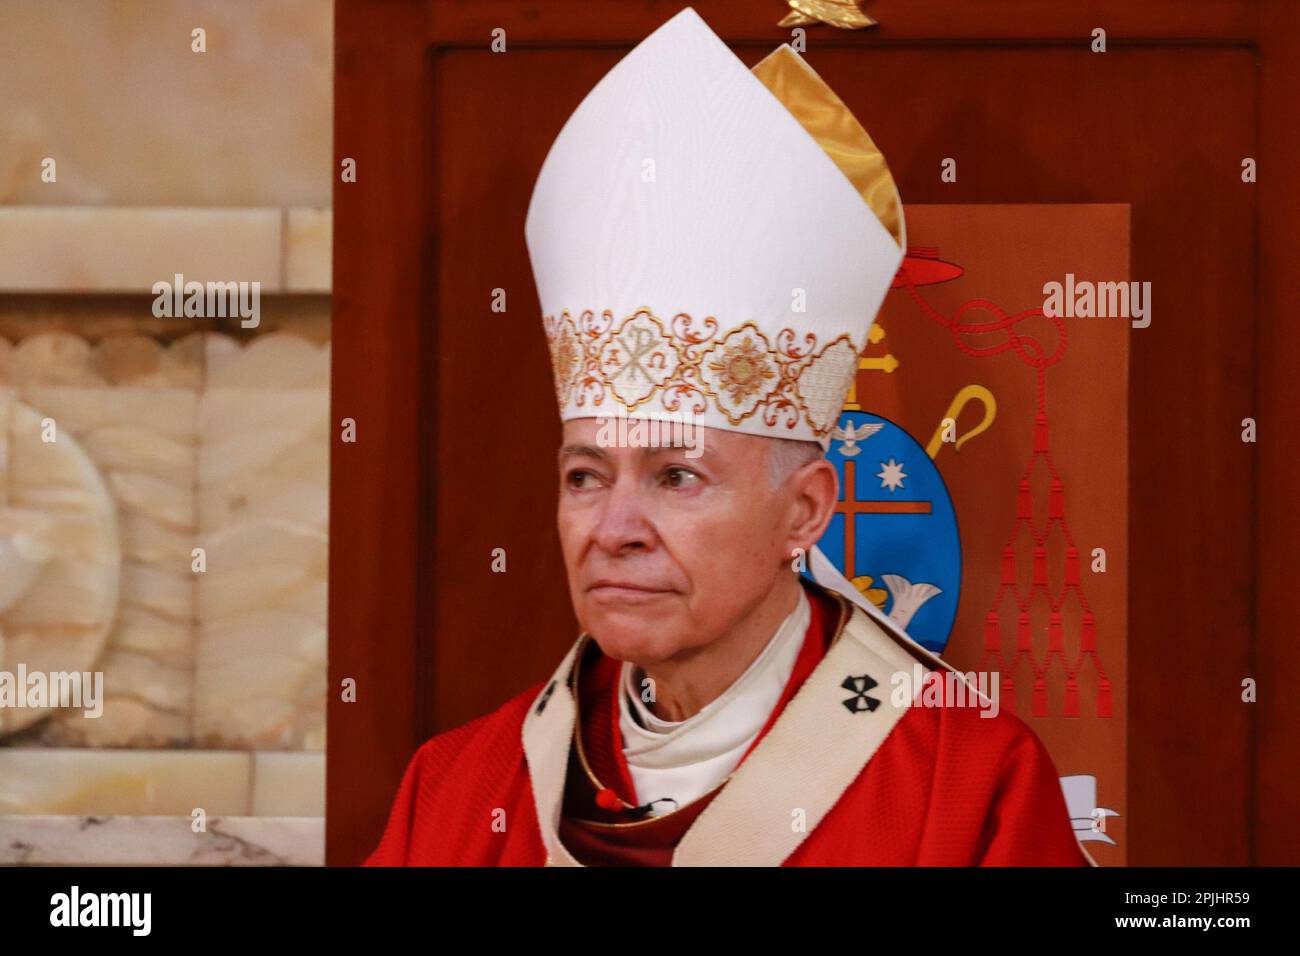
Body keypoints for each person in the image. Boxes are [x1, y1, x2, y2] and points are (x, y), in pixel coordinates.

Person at [366, 5, 1092, 867]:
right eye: (586, 476)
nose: (613, 530)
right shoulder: (459, 790)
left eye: (677, 476)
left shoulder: (967, 788)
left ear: (805, 511)